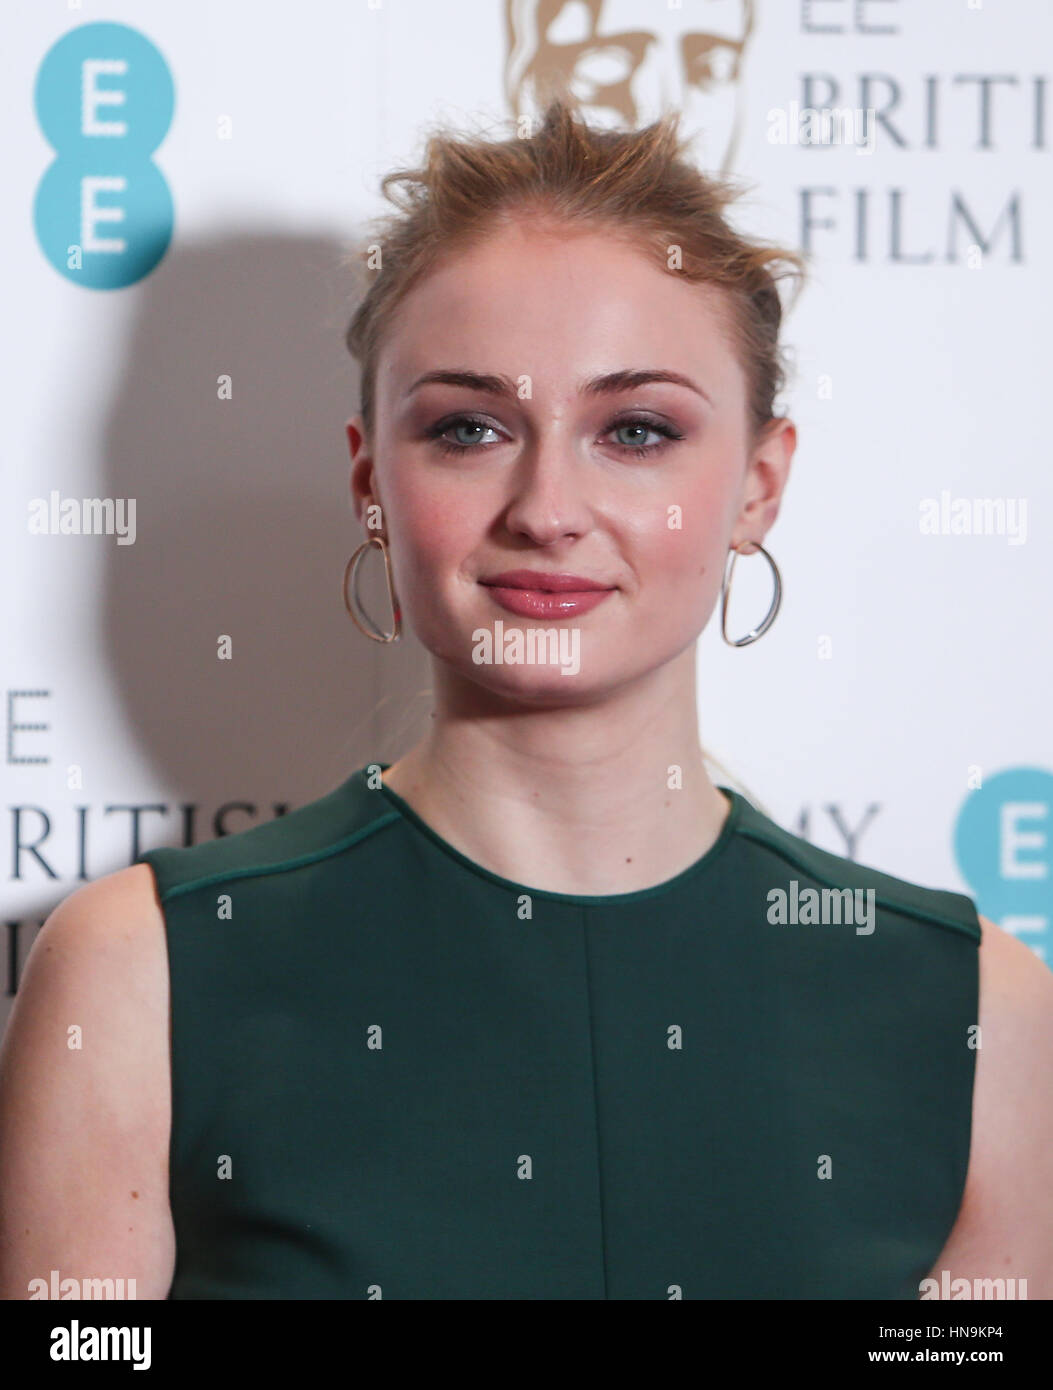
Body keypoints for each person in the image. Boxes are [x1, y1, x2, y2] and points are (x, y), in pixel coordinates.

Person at [1, 97, 1051, 1301]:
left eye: (638, 429)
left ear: (759, 486)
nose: (548, 506)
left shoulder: (976, 1012)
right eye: (470, 427)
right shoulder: (143, 971)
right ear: (371, 480)